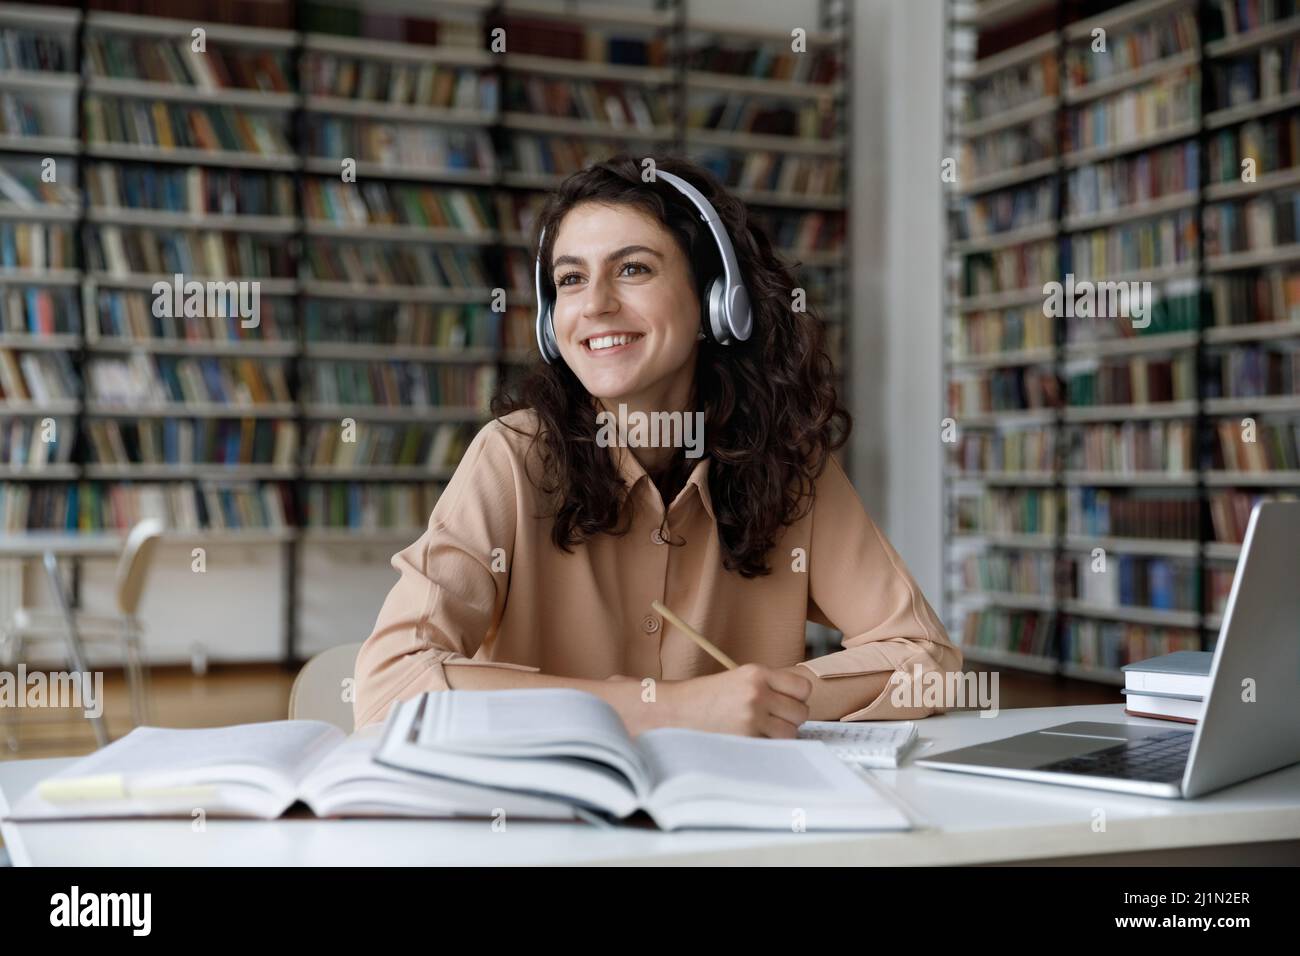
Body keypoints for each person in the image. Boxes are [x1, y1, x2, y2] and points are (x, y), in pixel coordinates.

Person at [353, 153, 962, 736]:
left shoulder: (787, 462)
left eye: (633, 268)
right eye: (570, 279)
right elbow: (388, 688)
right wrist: (669, 709)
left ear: (717, 302)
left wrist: (772, 699)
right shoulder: (511, 456)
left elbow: (926, 661)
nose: (595, 304)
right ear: (549, 323)